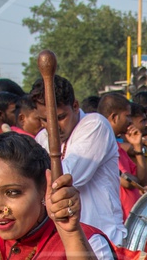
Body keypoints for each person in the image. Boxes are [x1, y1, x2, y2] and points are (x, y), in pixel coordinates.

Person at [32, 79, 126, 245]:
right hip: (64, 241)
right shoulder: (42, 137)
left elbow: (63, 179)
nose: (52, 128)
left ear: (75, 106)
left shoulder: (95, 125)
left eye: (60, 117)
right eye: (44, 120)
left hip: (103, 238)